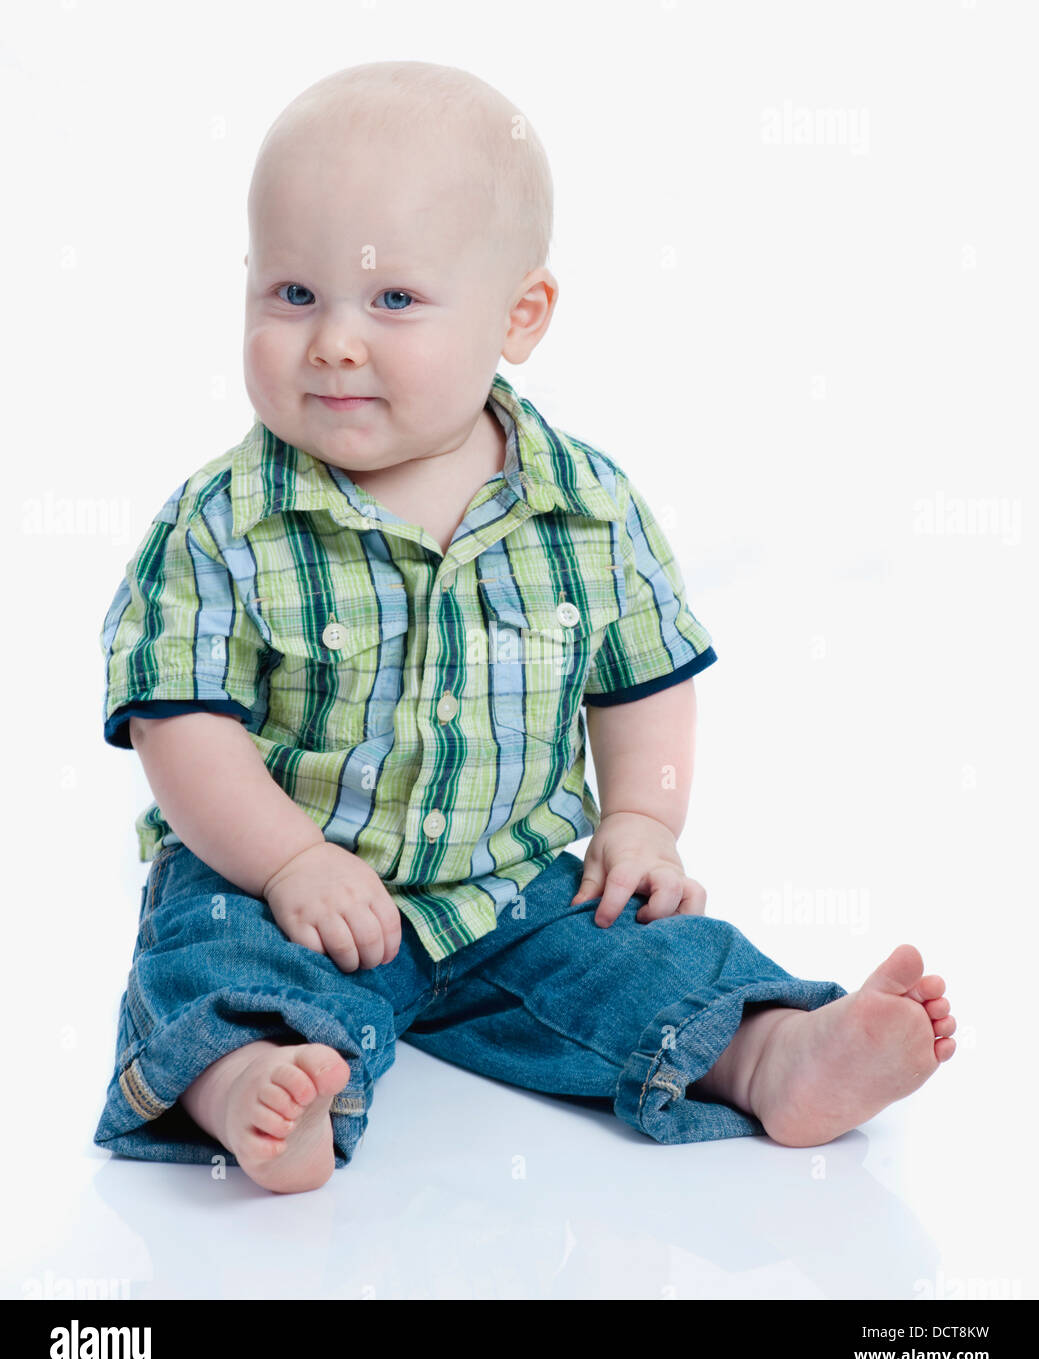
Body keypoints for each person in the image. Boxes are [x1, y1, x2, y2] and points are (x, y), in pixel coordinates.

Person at [94, 61, 955, 1194]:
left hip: (510, 894)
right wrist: (289, 857)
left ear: (520, 317)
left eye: (393, 301)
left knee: (637, 960)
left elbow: (639, 678)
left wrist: (643, 820)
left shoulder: (585, 506)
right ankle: (253, 1078)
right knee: (211, 954)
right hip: (282, 884)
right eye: (294, 295)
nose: (335, 341)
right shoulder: (225, 524)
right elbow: (180, 724)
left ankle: (770, 1055)